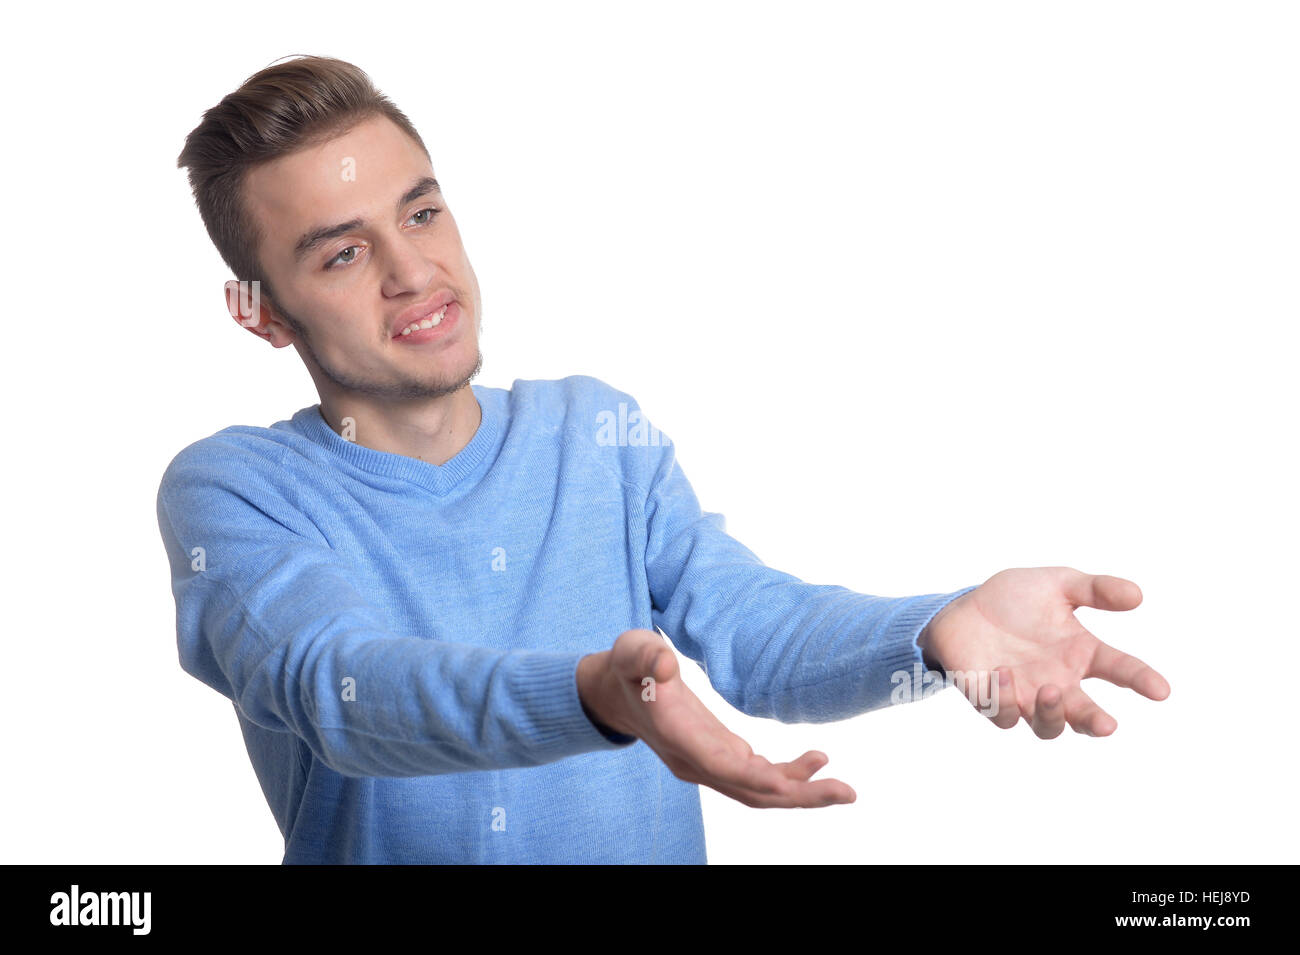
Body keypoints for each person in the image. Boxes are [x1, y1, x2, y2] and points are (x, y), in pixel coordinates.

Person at [159, 55, 1171, 864]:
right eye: (342, 253)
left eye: (421, 212)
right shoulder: (237, 491)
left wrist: (934, 630)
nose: (414, 270)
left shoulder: (595, 434)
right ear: (263, 315)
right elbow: (341, 689)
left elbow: (758, 633)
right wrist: (589, 694)